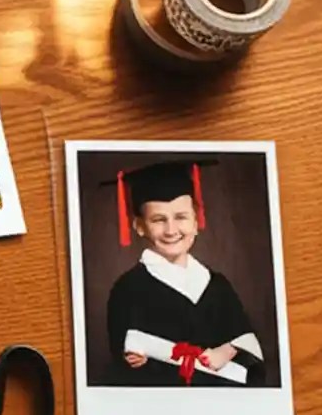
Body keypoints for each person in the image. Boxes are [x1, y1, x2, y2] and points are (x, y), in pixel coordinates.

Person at [102, 159, 266, 387]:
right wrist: (133, 358)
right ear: (139, 226)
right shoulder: (128, 288)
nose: (171, 230)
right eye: (159, 220)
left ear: (196, 219)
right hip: (162, 404)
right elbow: (122, 353)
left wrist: (228, 350)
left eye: (181, 217)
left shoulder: (216, 284)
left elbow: (244, 337)